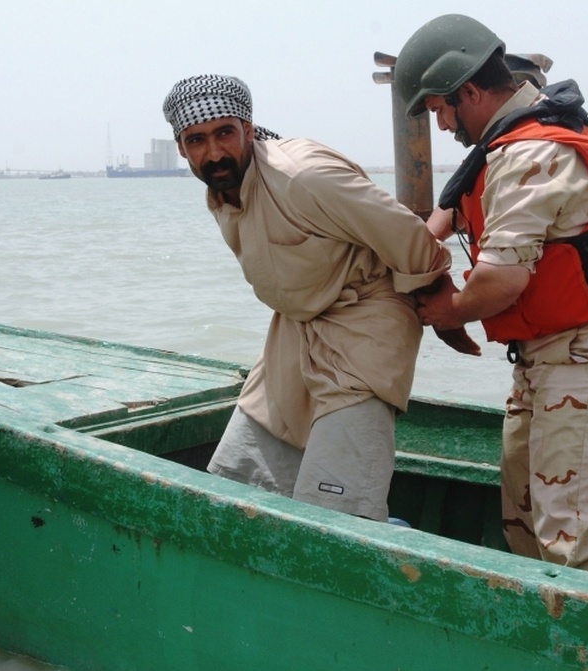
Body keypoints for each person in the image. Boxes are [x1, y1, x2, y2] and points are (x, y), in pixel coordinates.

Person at [394, 15, 588, 574]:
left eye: (440, 109)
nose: (441, 125)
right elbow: (462, 193)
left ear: (470, 91)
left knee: (569, 539)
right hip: (549, 356)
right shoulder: (518, 126)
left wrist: (449, 311)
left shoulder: (529, 153)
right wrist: (421, 240)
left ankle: (585, 649)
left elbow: (500, 281)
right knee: (522, 518)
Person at [162, 74, 477, 522]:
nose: (213, 152)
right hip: (293, 336)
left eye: (224, 134)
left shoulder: (302, 177)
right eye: (197, 140)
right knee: (233, 487)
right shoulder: (221, 191)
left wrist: (448, 317)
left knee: (337, 512)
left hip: (363, 329)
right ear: (181, 147)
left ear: (248, 129)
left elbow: (409, 237)